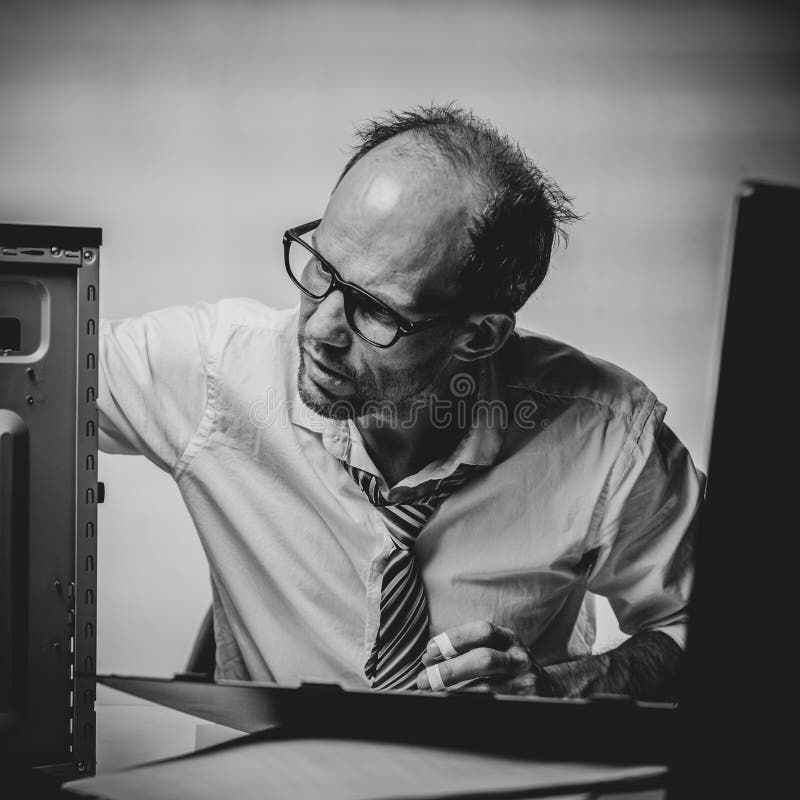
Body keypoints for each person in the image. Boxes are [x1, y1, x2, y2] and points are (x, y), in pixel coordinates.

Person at [98, 104, 704, 699]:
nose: (319, 330)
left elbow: (713, 630)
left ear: (480, 335)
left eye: (376, 310)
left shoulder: (606, 436)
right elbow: (32, 374)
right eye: (320, 269)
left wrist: (559, 688)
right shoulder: (217, 372)